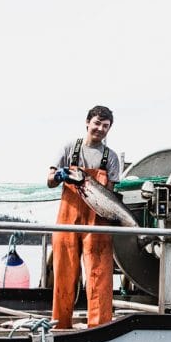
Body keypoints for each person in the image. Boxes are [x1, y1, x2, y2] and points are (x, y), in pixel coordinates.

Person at [47, 105, 121, 329]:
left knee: (99, 276)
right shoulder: (70, 147)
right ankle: (60, 325)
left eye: (105, 126)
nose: (100, 129)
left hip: (98, 223)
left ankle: (99, 327)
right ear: (87, 122)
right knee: (63, 274)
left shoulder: (111, 157)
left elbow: (111, 193)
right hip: (67, 220)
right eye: (97, 123)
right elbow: (49, 180)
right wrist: (60, 175)